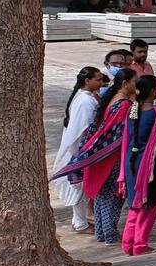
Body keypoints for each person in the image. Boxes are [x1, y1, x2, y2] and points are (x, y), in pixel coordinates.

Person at [52, 68, 137, 245]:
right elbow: (120, 134)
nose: (136, 85)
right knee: (112, 197)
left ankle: (101, 232)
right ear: (125, 84)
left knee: (102, 195)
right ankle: (109, 234)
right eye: (134, 81)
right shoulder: (123, 105)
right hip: (112, 157)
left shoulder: (110, 100)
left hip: (101, 156)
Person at [51, 66, 105, 233]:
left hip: (82, 149)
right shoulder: (85, 101)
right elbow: (85, 128)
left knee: (81, 186)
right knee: (78, 187)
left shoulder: (87, 97)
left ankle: (80, 221)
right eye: (97, 78)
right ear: (87, 81)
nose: (101, 82)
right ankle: (80, 223)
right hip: (80, 149)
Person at [118, 75, 156, 256]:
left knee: (135, 204)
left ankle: (128, 243)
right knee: (151, 204)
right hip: (149, 164)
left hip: (132, 162)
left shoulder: (133, 111)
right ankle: (140, 244)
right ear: (153, 91)